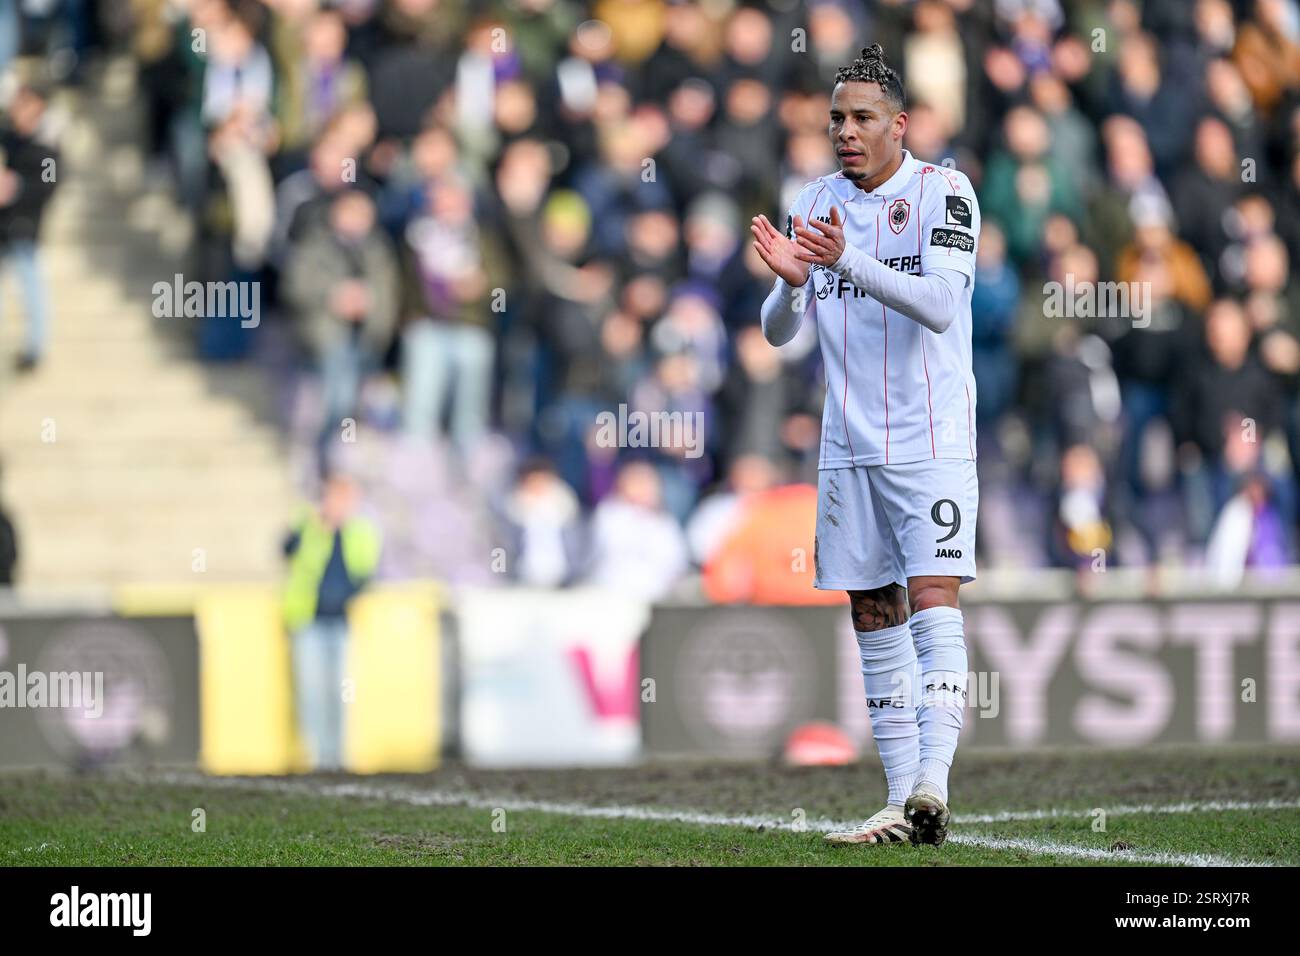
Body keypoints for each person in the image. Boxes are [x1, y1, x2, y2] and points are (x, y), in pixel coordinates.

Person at [753, 45, 980, 847]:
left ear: (899, 125)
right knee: (874, 614)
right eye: (837, 120)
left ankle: (934, 780)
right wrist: (787, 283)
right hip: (847, 445)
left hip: (931, 439)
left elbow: (942, 306)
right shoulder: (814, 199)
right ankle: (898, 800)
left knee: (931, 598)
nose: (845, 132)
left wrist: (845, 257)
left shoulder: (945, 193)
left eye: (862, 119)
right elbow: (780, 332)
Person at [282, 471, 382, 772]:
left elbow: (364, 573)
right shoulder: (308, 525)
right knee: (311, 691)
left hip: (339, 622)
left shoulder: (360, 531)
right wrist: (317, 527)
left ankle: (336, 756)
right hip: (307, 620)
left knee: (339, 691)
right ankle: (314, 756)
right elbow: (288, 550)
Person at [0, 82, 60, 372]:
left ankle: (35, 346)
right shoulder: (8, 139)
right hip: (3, 226)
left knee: (31, 285)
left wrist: (16, 187)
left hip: (23, 226)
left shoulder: (46, 147)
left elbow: (48, 185)